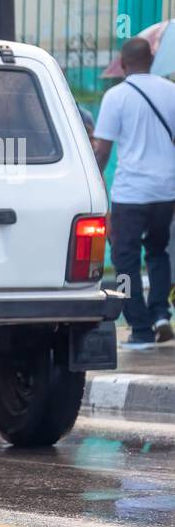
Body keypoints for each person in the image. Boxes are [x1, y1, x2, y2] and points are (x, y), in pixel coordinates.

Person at [92, 37, 175, 349]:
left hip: (131, 195)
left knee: (124, 261)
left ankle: (138, 327)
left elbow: (102, 151)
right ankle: (161, 314)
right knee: (158, 252)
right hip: (165, 192)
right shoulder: (171, 92)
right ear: (151, 60)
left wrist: (92, 181)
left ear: (123, 64)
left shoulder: (116, 97)